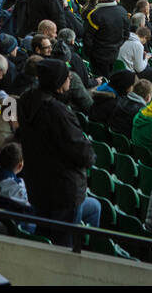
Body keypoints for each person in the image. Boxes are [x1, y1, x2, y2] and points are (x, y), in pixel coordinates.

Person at [17, 58, 95, 243]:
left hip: (37, 183)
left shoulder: (26, 99)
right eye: (67, 77)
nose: (70, 79)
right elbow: (83, 153)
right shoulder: (58, 112)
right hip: (63, 191)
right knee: (62, 245)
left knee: (44, 239)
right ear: (58, 82)